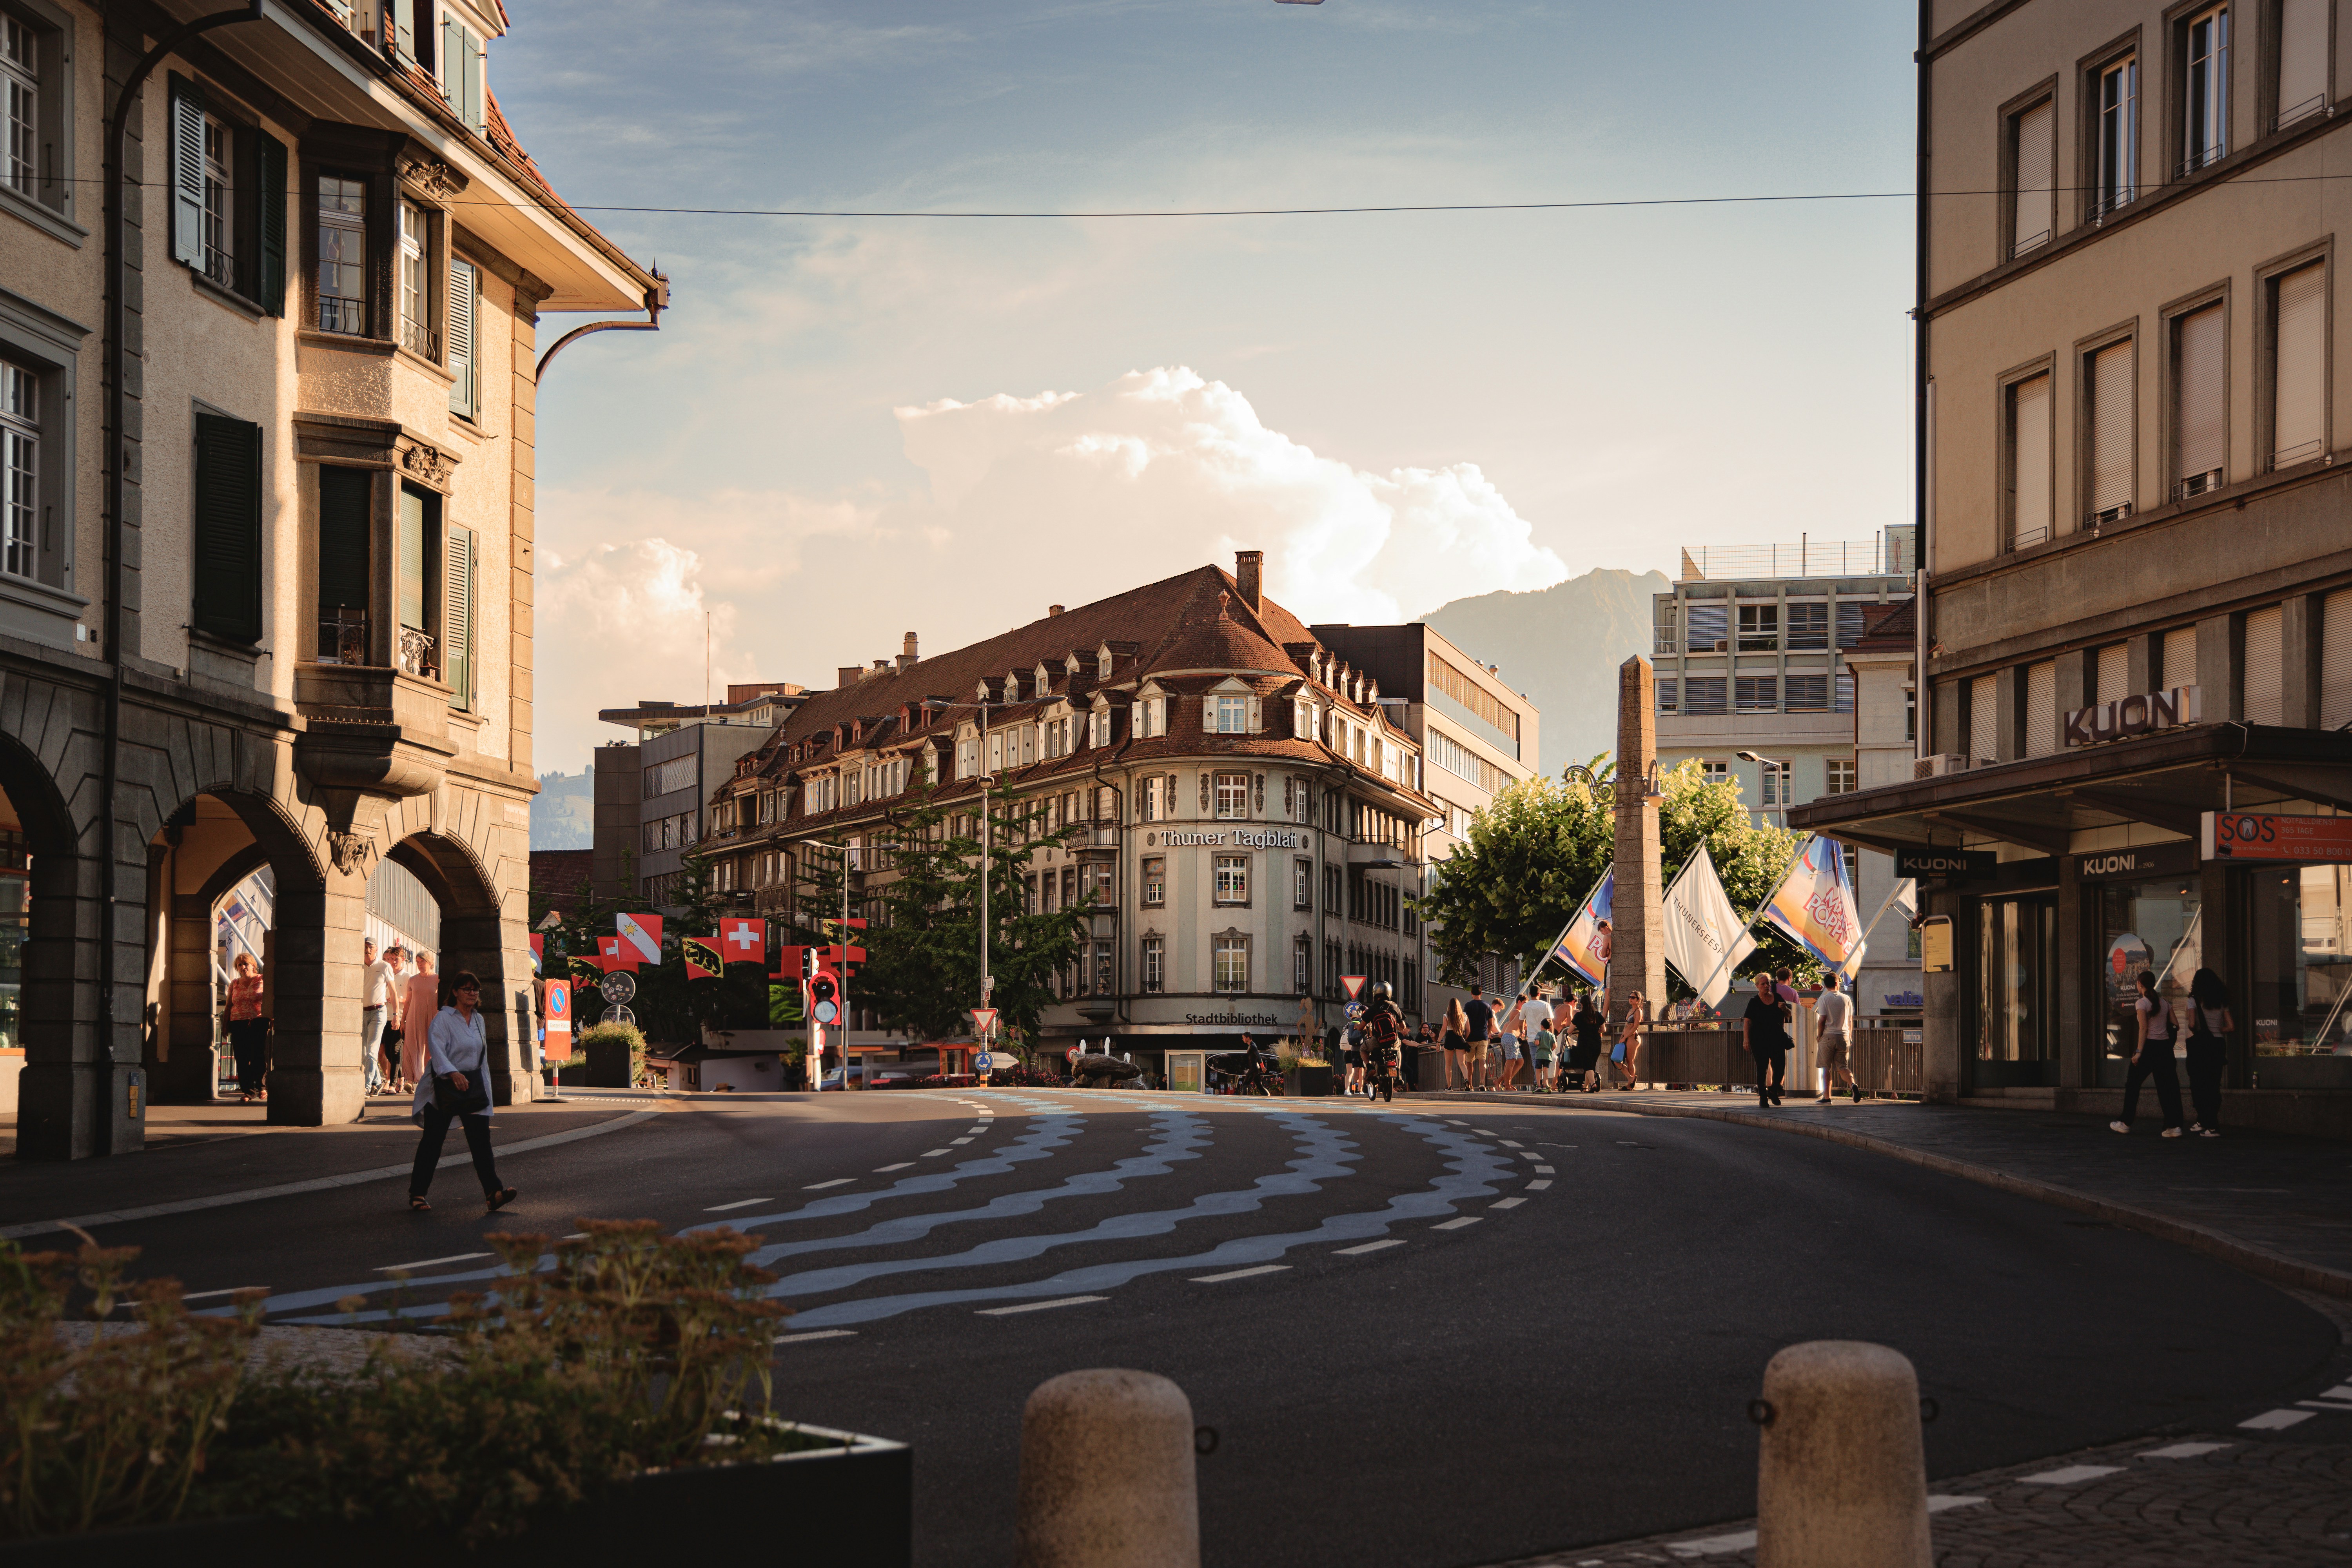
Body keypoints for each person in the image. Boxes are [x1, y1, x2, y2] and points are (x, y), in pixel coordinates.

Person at [408, 970, 517, 1213]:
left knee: (481, 1141)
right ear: (455, 992)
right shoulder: (443, 1019)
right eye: (466, 989)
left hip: (472, 1086)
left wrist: (486, 1091)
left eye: (475, 989)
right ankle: (417, 1194)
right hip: (445, 1087)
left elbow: (482, 1059)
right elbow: (437, 1050)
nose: (472, 993)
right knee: (433, 1141)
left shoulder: (479, 1020)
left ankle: (494, 1193)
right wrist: (452, 1073)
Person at [2112, 969, 2186, 1137]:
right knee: (2168, 1088)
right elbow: (2176, 1025)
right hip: (2165, 1050)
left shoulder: (2142, 1004)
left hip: (2149, 1048)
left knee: (2133, 1085)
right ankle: (2173, 1126)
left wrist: (2139, 1052)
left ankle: (2125, 1122)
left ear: (2140, 985)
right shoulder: (2165, 1003)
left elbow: (2144, 1029)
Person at [2185, 968, 2233, 1138]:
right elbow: (2231, 1027)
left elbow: (2192, 1024)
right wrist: (2217, 1029)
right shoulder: (2222, 1001)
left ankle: (2209, 1124)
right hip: (2218, 1044)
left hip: (2200, 1046)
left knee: (2198, 1084)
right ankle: (2208, 1122)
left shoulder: (2193, 1000)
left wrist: (2201, 1029)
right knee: (2213, 1085)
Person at [224, 952, 269, 1102]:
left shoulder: (263, 980)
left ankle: (262, 1087)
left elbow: (272, 1000)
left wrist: (272, 1019)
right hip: (238, 1022)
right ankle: (248, 1092)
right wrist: (225, 1026)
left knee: (258, 1056)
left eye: (246, 964)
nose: (243, 967)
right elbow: (229, 1005)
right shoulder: (234, 984)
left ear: (253, 965)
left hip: (259, 1021)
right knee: (242, 1058)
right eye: (239, 965)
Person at [1741, 973, 1791, 1106]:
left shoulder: (1778, 998)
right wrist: (1746, 1040)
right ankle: (1763, 1097)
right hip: (1759, 1040)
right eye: (1763, 984)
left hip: (1777, 1039)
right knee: (1762, 1069)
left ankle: (1773, 1091)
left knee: (1780, 1068)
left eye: (1768, 984)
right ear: (1757, 986)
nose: (1766, 986)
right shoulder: (1754, 1002)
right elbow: (1747, 1022)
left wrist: (1785, 1009)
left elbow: (1789, 1014)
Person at [1813, 971, 1859, 1104]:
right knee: (1843, 1067)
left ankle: (1827, 1098)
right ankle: (1853, 1085)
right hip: (1844, 1037)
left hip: (1828, 1037)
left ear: (1825, 985)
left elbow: (1822, 1020)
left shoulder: (1824, 999)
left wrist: (1819, 1036)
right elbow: (1851, 1021)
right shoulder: (1847, 999)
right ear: (1837, 983)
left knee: (1826, 1068)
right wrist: (1849, 1036)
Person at [359, 938, 394, 1101]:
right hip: (362, 1012)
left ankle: (366, 1087)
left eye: (370, 947)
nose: (367, 950)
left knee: (372, 1050)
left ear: (376, 949)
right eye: (365, 947)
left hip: (378, 1012)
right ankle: (377, 1082)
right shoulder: (357, 965)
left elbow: (393, 992)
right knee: (364, 1053)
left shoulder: (384, 966)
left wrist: (397, 1016)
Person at [403, 951, 441, 1099]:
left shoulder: (438, 979)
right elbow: (408, 1001)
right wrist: (403, 1020)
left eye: (422, 962)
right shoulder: (412, 980)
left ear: (430, 963)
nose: (419, 965)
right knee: (411, 1046)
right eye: (418, 962)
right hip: (414, 1016)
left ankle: (428, 1080)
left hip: (433, 1017)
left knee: (430, 1049)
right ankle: (410, 1080)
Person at [381, 945, 408, 1092]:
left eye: (396, 959)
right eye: (391, 959)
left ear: (402, 960)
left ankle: (392, 1084)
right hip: (385, 1017)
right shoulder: (387, 974)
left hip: (401, 1017)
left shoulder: (407, 977)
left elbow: (413, 998)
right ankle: (402, 1076)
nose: (393, 962)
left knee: (396, 1049)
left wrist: (399, 999)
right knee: (387, 1052)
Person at [1570, 990, 1606, 1093]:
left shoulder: (1579, 1016)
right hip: (1596, 1042)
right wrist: (1597, 1030)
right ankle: (1585, 1086)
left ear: (1581, 1004)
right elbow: (1604, 1030)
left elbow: (1570, 1030)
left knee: (1587, 1064)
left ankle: (1593, 1084)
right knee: (1591, 1065)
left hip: (1584, 1042)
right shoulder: (1597, 1015)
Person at [1463, 984, 1495, 1091]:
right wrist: (1487, 1033)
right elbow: (1491, 1024)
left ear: (1471, 993)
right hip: (1483, 1037)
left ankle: (1470, 1084)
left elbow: (1465, 1021)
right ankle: (1482, 1082)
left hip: (1470, 1037)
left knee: (1469, 1061)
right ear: (1481, 993)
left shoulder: (1468, 1006)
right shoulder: (1487, 1006)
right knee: (1482, 1060)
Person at [1616, 989, 1648, 1088]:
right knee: (1618, 1060)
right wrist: (1622, 1036)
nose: (1630, 999)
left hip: (1633, 1038)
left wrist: (1625, 1037)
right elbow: (1626, 1025)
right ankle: (1631, 1079)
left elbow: (1635, 1027)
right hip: (1626, 1038)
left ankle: (1630, 1085)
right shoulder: (1631, 1010)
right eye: (1629, 997)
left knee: (1630, 1061)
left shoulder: (1638, 1011)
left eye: (1633, 998)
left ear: (1638, 1000)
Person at [1494, 994, 1526, 1091]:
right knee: (1511, 1062)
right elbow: (1513, 1024)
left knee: (1520, 1062)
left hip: (1511, 1037)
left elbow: (1512, 1024)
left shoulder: (1522, 1013)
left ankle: (1501, 1081)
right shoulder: (1521, 1013)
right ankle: (1507, 1086)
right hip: (1510, 1037)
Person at [1439, 1000, 1470, 1092]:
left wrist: (1438, 1041)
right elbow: (1468, 1030)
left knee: (1448, 1064)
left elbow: (1444, 1030)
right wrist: (1465, 1039)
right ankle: (1466, 1079)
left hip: (1450, 1038)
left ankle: (1449, 1086)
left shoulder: (1446, 1016)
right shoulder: (1465, 1016)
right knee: (1462, 1063)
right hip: (1460, 1038)